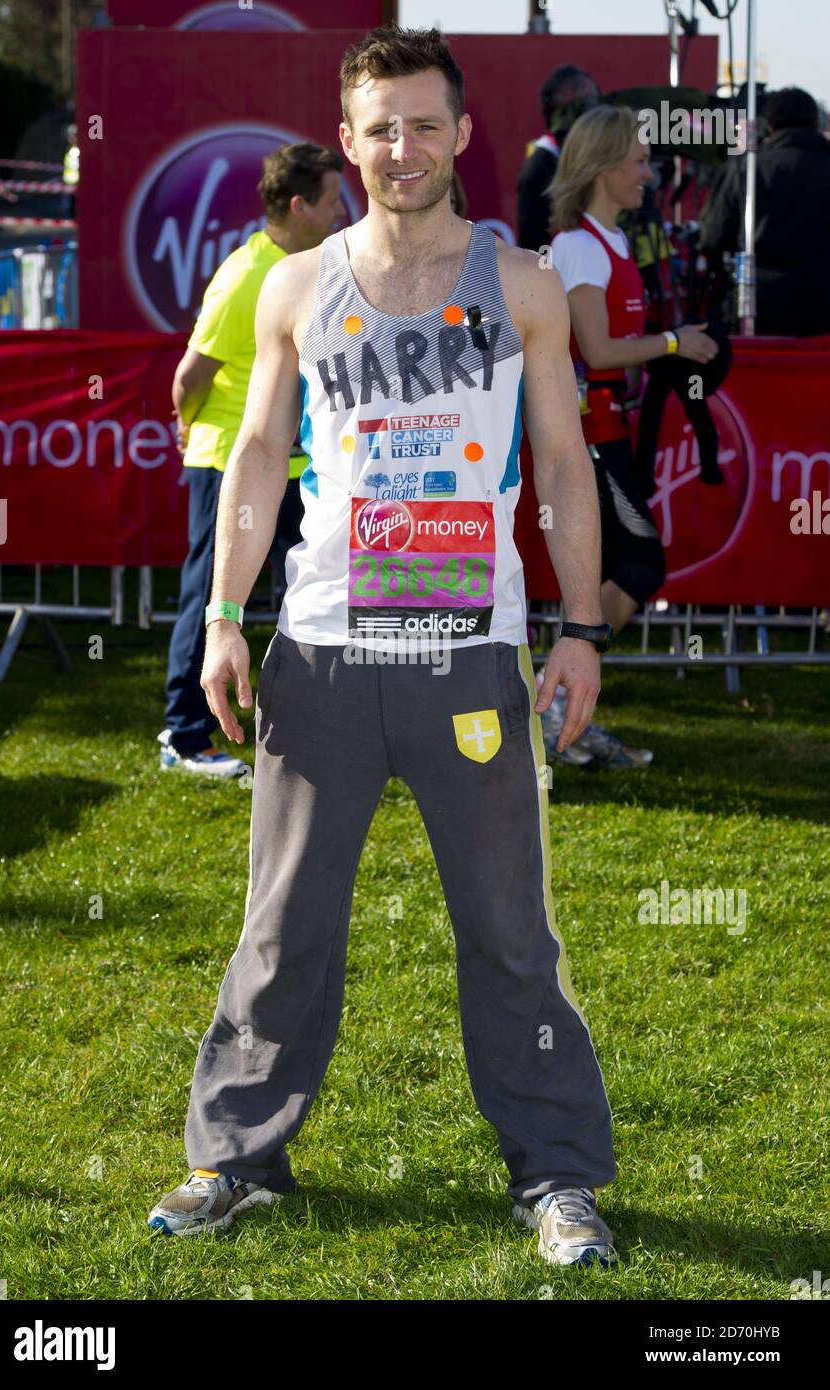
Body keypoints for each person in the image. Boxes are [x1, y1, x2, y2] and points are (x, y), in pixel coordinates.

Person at [148, 23, 619, 1267]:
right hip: (324, 655)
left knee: (508, 931)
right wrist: (221, 615)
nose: (399, 148)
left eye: (422, 124)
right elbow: (253, 457)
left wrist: (578, 631)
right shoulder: (297, 286)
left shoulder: (515, 283)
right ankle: (235, 1158)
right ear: (346, 144)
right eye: (377, 128)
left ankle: (559, 1177)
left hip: (469, 656)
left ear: (460, 135)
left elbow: (565, 467)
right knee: (284, 923)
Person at [159, 142, 346, 778]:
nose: (343, 211)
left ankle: (334, 721)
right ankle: (184, 735)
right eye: (332, 200)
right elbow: (189, 377)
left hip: (296, 469)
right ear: (299, 206)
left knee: (324, 588)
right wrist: (188, 430)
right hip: (228, 467)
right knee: (211, 601)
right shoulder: (247, 275)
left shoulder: (306, 267)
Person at [547, 105, 719, 768]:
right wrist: (677, 341)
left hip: (606, 428)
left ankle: (567, 705)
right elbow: (598, 347)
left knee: (616, 571)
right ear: (603, 166)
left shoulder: (611, 242)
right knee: (641, 564)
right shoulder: (581, 245)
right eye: (640, 161)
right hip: (587, 432)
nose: (651, 173)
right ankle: (559, 698)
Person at [700, 86, 830, 337]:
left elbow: (713, 237)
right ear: (815, 122)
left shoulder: (747, 170)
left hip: (760, 309)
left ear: (768, 125)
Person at [517, 64, 600, 253]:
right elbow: (533, 246)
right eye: (575, 106)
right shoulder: (538, 169)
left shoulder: (599, 160)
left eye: (590, 100)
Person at [62, 123, 79, 220]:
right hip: (70, 183)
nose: (70, 138)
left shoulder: (77, 151)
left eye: (72, 136)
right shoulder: (71, 150)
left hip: (77, 183)